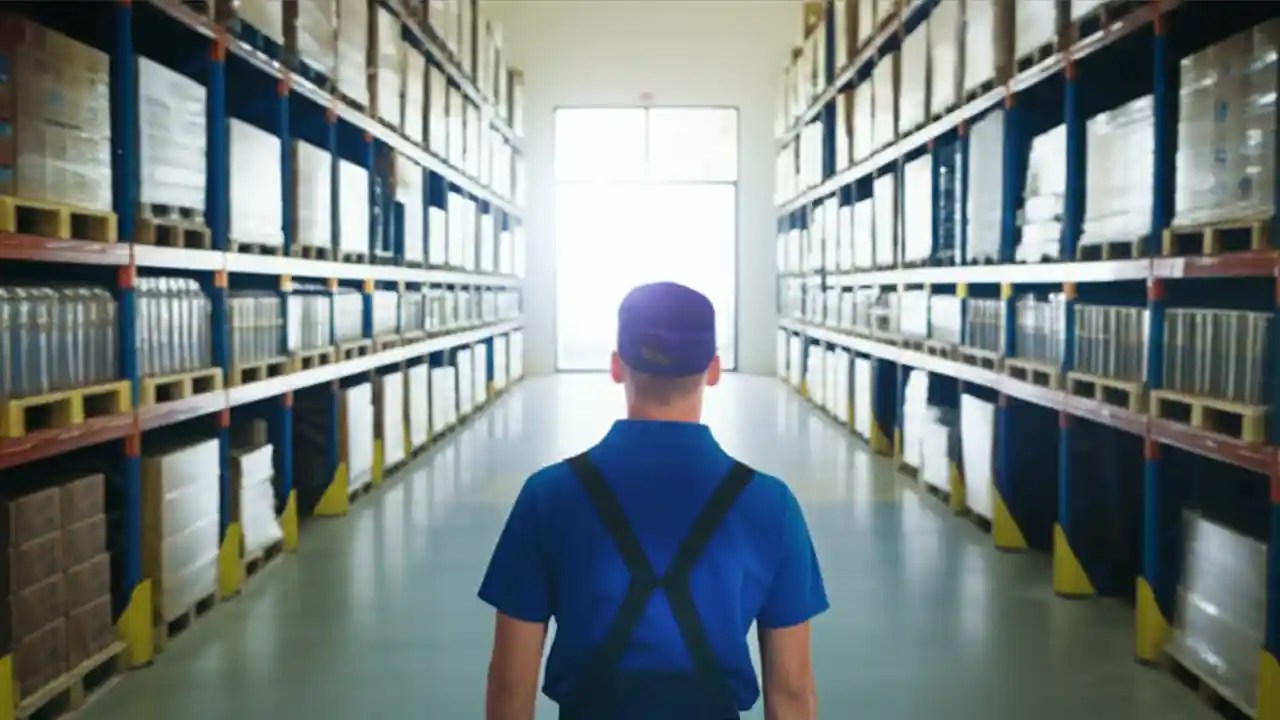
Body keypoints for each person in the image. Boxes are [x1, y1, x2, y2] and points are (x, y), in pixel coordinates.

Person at [479, 281, 828, 720]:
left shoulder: (548, 496)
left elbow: (511, 685)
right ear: (714, 370)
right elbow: (791, 690)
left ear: (616, 367)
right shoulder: (770, 505)